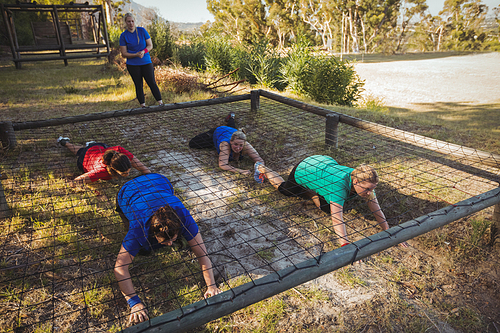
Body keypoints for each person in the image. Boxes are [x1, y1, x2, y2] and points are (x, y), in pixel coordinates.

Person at [114, 173, 221, 324]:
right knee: (144, 250)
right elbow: (120, 268)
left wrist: (212, 286)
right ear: (152, 231)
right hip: (127, 191)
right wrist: (135, 303)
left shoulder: (184, 217)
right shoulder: (137, 228)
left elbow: (203, 255)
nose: (170, 244)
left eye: (173, 238)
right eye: (166, 241)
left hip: (158, 179)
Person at [255, 155, 409, 248]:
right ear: (355, 182)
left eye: (372, 189)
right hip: (306, 168)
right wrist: (346, 245)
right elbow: (337, 218)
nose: (370, 192)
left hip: (323, 162)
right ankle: (263, 168)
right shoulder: (339, 186)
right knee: (285, 190)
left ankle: (311, 191)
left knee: (327, 208)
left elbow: (376, 209)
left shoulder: (364, 179)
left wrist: (389, 232)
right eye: (367, 189)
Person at [189, 113, 266, 181]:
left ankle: (231, 118)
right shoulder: (226, 144)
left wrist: (259, 170)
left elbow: (259, 160)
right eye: (235, 144)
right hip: (219, 131)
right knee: (193, 143)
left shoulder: (246, 145)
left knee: (231, 128)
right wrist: (241, 171)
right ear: (231, 141)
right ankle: (215, 137)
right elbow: (222, 165)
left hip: (232, 131)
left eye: (241, 145)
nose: (238, 148)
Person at [57, 137, 151, 185]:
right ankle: (66, 143)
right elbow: (77, 181)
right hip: (84, 160)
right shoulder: (101, 171)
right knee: (80, 152)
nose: (128, 174)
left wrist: (150, 176)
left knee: (88, 148)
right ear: (113, 168)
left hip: (98, 147)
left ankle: (88, 144)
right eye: (124, 173)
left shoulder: (119, 150)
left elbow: (145, 169)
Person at [119, 13, 163, 107]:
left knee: (151, 82)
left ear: (135, 21)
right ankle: (143, 106)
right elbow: (124, 53)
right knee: (138, 84)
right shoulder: (123, 36)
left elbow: (150, 45)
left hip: (146, 62)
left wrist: (144, 51)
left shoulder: (142, 31)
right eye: (128, 21)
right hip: (133, 64)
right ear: (125, 22)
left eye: (132, 21)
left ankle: (161, 103)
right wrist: (135, 54)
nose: (131, 23)